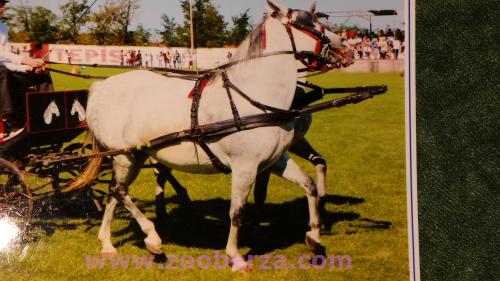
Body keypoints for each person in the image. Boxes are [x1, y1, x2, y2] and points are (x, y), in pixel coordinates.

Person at [0, 0, 54, 142]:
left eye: (2, 5)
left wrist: (29, 68)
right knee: (1, 71)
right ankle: (8, 119)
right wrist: (26, 60)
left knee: (42, 74)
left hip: (3, 71)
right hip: (1, 73)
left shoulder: (3, 27)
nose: (1, 8)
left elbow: (6, 60)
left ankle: (47, 113)